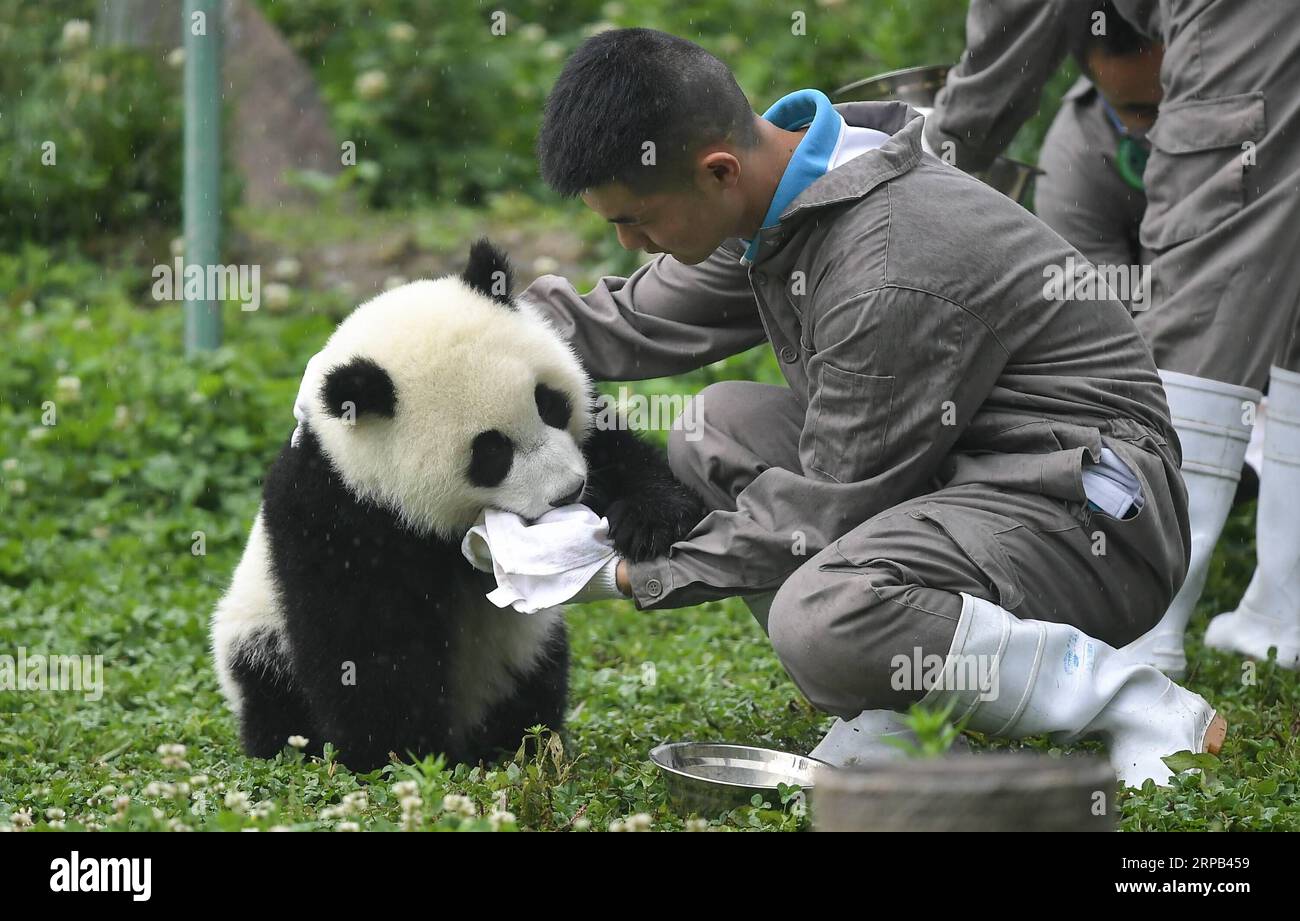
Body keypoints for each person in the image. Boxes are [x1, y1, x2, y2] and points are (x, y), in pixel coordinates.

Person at [486, 27, 1224, 787]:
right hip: (970, 478)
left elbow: (816, 515)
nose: (631, 242)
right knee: (717, 426)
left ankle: (1133, 705)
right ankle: (899, 705)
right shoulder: (787, 197)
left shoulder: (885, 263)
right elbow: (622, 321)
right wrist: (448, 334)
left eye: (635, 220)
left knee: (824, 615)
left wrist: (610, 574)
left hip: (1088, 516)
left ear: (717, 171)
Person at [925, 0, 1300, 676]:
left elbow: (1199, 302)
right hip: (1144, 350)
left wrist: (937, 144)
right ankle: (1279, 615)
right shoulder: (1076, 153)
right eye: (1137, 116)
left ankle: (1139, 638)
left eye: (1169, 106)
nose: (1156, 134)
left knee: (1206, 287)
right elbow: (1104, 335)